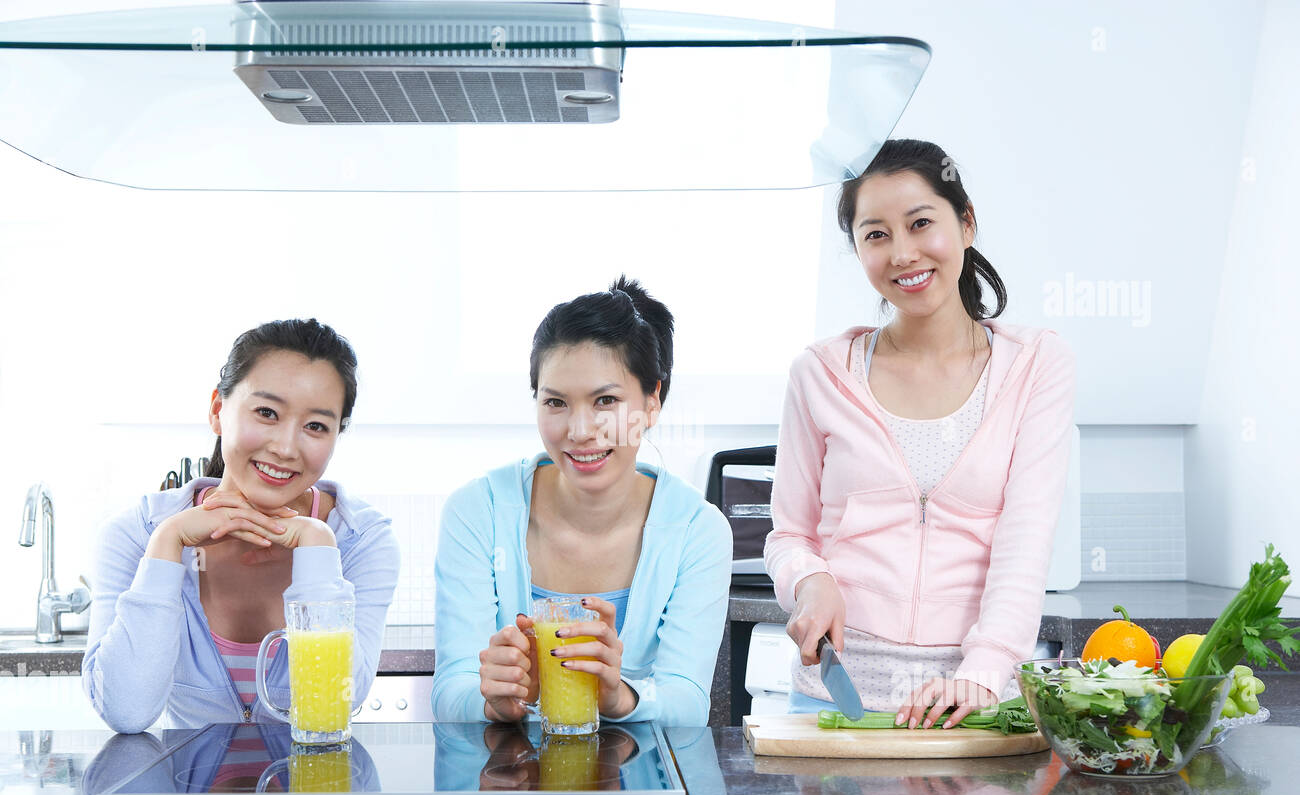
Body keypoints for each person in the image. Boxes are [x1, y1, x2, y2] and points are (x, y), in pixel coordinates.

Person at [765, 139, 1076, 730]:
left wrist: (982, 671)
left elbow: (1026, 539)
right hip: (836, 697)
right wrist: (811, 581)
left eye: (920, 223)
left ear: (966, 223)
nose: (902, 253)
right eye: (876, 234)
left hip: (974, 699)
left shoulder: (1038, 364)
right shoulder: (820, 372)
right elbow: (788, 535)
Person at [432, 277, 732, 727]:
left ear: (653, 401)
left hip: (638, 789)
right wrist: (495, 700)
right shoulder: (478, 511)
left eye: (605, 400)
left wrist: (617, 697)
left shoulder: (697, 530)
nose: (579, 430)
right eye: (555, 402)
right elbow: (450, 691)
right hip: (508, 788)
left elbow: (687, 704)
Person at [84, 319, 400, 734]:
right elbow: (126, 712)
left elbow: (328, 713)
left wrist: (318, 548)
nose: (286, 448)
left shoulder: (361, 541)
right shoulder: (138, 532)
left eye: (316, 426)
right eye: (266, 412)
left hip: (312, 792)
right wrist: (166, 543)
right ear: (218, 411)